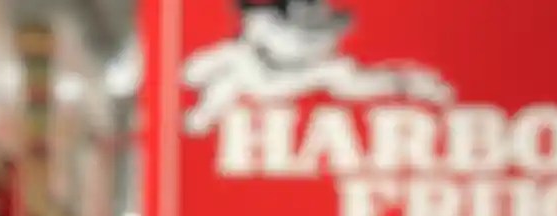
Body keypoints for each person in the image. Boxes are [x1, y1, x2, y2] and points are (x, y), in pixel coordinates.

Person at [182, 0, 453, 135]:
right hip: (253, 73)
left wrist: (411, 85)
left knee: (230, 69)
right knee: (229, 69)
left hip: (291, 82)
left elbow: (365, 83)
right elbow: (198, 67)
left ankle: (202, 112)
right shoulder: (248, 44)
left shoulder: (328, 68)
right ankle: (202, 112)